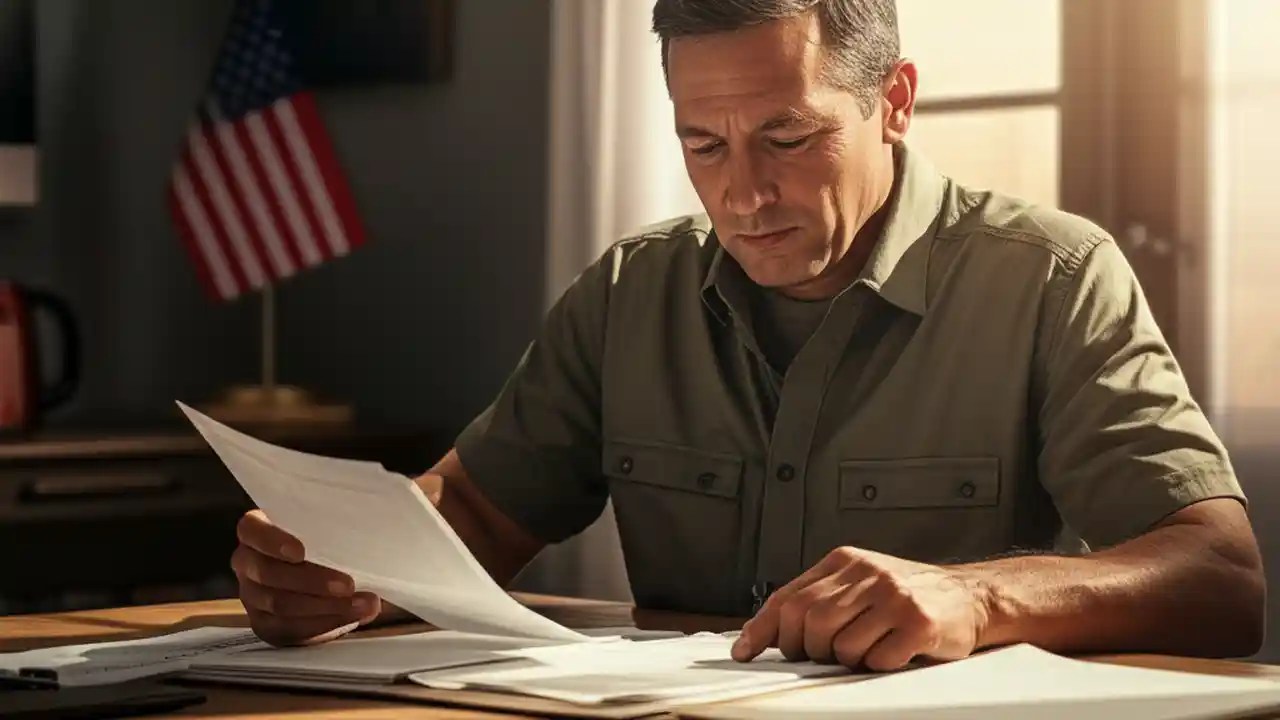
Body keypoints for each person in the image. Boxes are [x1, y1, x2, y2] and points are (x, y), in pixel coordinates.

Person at [231, 0, 1265, 670]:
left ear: (894, 102)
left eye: (788, 137)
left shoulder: (1050, 277)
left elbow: (1220, 580)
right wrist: (348, 573)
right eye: (702, 144)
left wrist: (975, 596)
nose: (744, 194)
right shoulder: (632, 289)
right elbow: (475, 516)